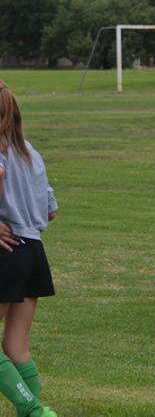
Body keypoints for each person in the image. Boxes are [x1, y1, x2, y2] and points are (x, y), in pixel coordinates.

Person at [0, 81, 58, 417]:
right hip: (34, 251)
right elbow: (51, 207)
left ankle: (33, 409)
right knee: (16, 346)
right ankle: (31, 413)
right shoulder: (31, 152)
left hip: (7, 251)